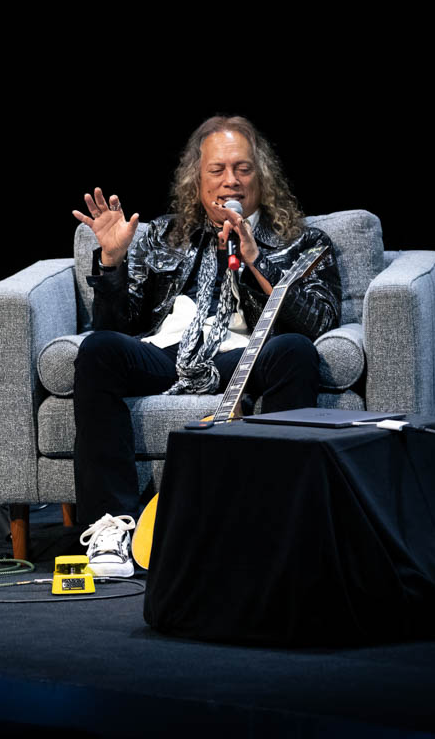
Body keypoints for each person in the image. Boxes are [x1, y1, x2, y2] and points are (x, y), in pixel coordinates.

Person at [70, 115, 342, 576]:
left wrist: (257, 261)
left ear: (262, 177)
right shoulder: (161, 236)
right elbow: (116, 325)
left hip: (248, 354)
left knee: (295, 349)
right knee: (98, 351)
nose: (230, 180)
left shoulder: (303, 241)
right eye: (216, 170)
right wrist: (112, 263)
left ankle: (273, 521)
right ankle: (111, 526)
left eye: (242, 168)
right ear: (197, 180)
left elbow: (320, 321)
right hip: (169, 352)